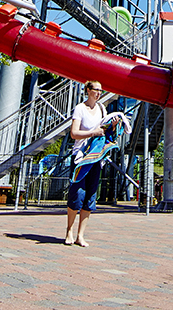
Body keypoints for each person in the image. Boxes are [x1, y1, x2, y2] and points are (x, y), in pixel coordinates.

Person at [65, 81, 106, 247]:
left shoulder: (102, 109)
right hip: (81, 157)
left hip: (96, 156)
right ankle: (69, 230)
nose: (99, 93)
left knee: (90, 196)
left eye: (101, 91)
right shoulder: (80, 108)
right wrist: (92, 132)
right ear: (88, 91)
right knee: (77, 194)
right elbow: (74, 133)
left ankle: (80, 235)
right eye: (96, 90)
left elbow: (104, 130)